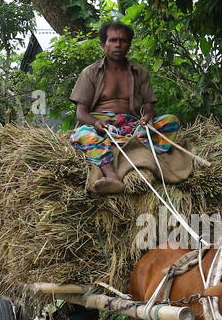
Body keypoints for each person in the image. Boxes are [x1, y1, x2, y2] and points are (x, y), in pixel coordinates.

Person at [68, 21, 179, 194]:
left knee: (171, 121)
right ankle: (112, 176)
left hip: (133, 125)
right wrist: (96, 123)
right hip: (103, 126)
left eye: (123, 40)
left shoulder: (140, 72)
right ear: (103, 44)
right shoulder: (90, 72)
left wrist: (148, 117)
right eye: (112, 40)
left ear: (129, 44)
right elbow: (81, 112)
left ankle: (137, 145)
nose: (118, 45)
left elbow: (149, 107)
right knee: (83, 134)